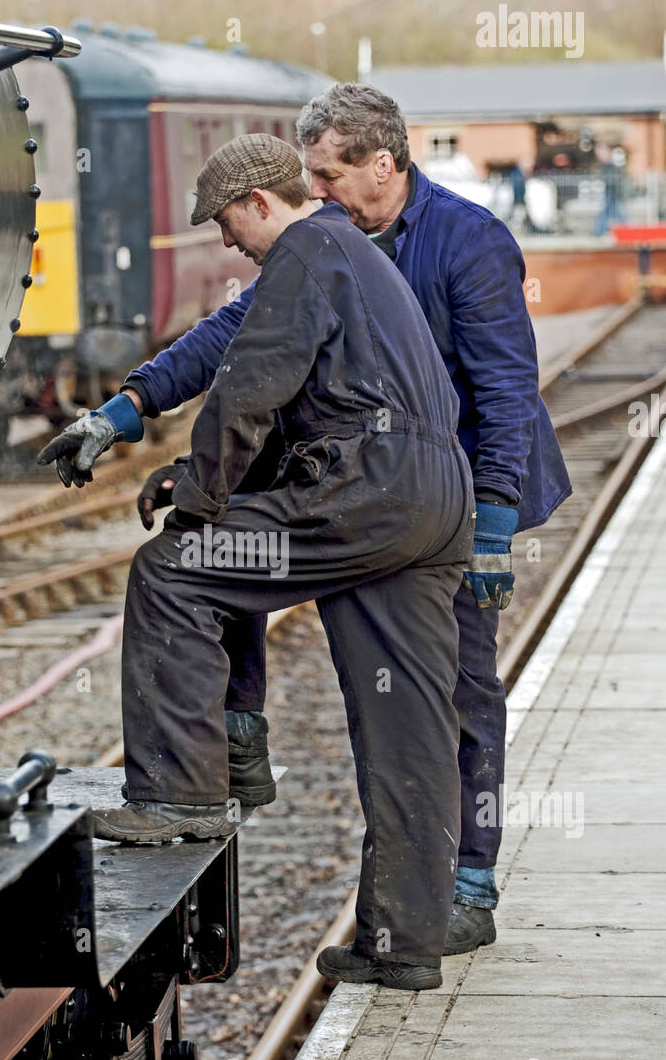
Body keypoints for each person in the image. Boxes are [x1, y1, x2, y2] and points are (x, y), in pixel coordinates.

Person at [116, 85, 571, 957]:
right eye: (308, 176)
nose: (317, 190)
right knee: (393, 705)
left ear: (383, 164)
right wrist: (130, 403)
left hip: (457, 489)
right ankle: (404, 932)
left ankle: (467, 882)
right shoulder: (332, 242)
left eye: (328, 175)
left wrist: (492, 522)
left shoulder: (464, 239)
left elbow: (506, 391)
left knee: (460, 691)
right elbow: (231, 336)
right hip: (404, 494)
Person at [39, 133, 475, 990]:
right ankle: (402, 944)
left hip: (366, 495)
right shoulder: (350, 254)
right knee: (410, 730)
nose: (225, 244)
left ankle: (179, 795)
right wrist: (154, 437)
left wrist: (198, 500)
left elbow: (250, 384)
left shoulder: (305, 250)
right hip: (429, 501)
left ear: (257, 203)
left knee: (172, 570)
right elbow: (255, 364)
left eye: (226, 225)